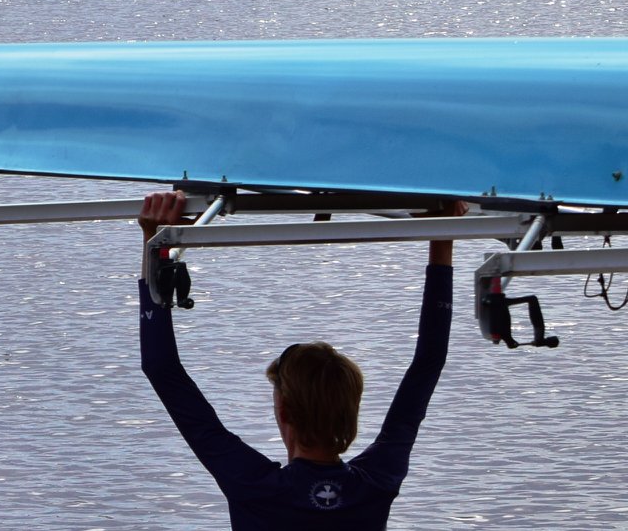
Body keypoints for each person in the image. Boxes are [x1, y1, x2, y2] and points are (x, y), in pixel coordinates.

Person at [136, 191, 458, 530]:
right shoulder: (376, 482)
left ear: (284, 411)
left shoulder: (253, 486)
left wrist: (154, 243)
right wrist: (443, 237)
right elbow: (429, 360)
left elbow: (162, 369)